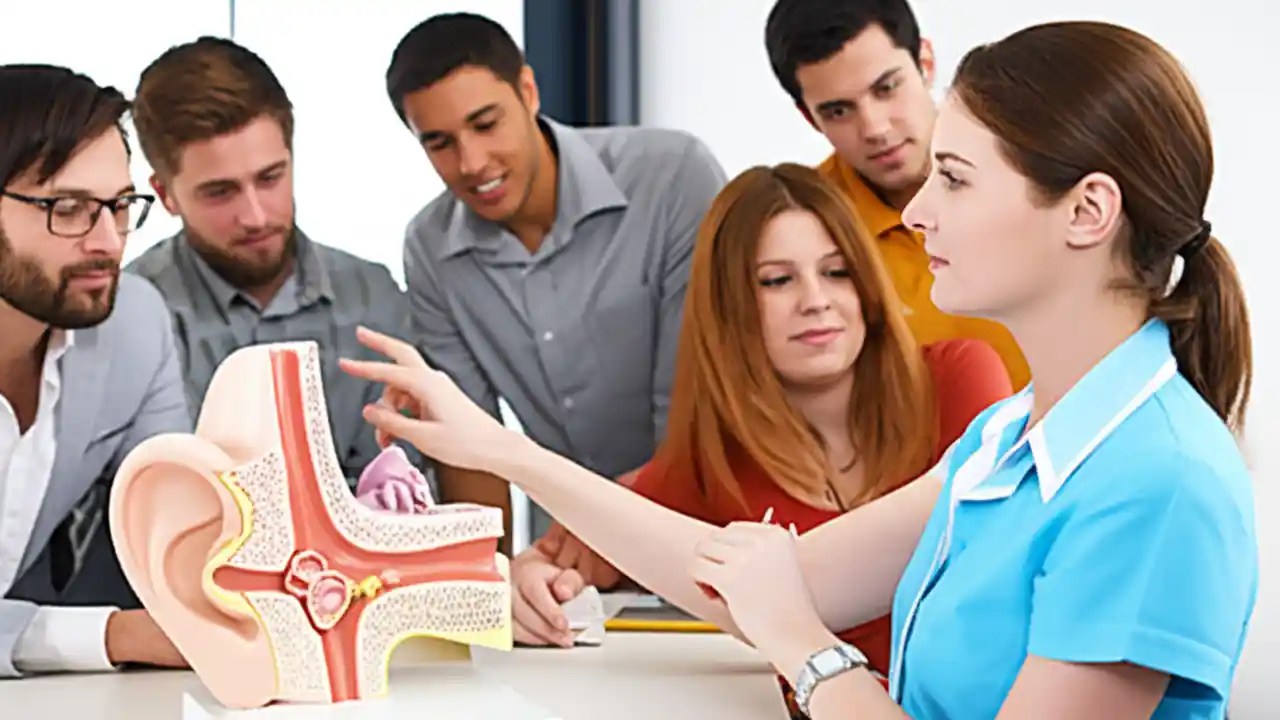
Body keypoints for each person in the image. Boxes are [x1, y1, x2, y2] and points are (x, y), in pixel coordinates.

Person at [343, 20, 1257, 720]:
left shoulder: (1154, 481)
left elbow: (785, 608)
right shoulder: (1009, 440)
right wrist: (498, 450)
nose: (921, 213)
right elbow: (743, 578)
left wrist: (804, 649)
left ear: (1088, 210)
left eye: (958, 179)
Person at [506, 164, 1013, 682]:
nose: (815, 300)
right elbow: (573, 551)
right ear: (730, 308)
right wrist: (532, 581)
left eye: (837, 272)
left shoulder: (961, 378)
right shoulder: (709, 464)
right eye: (777, 281)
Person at [385, 12, 727, 545]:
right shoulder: (429, 249)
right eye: (439, 142)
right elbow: (472, 445)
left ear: (528, 90)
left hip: (706, 525)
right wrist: (490, 592)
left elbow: (695, 400)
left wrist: (629, 540)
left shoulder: (673, 176)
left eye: (485, 124)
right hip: (568, 552)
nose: (472, 162)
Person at [126, 36, 412, 483]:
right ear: (165, 194)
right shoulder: (131, 317)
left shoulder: (374, 298)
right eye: (220, 192)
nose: (255, 216)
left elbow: (401, 492)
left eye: (270, 177)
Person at [0, 64, 192, 677]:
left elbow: (185, 525)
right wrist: (116, 634)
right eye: (70, 208)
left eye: (119, 206)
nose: (109, 241)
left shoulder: (133, 323)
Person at [765, 0, 1029, 388]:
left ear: (925, 62)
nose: (874, 127)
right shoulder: (801, 231)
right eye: (838, 111)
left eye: (886, 88)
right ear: (809, 117)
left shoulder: (1033, 169)